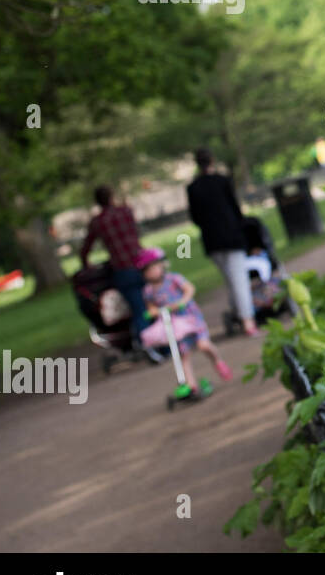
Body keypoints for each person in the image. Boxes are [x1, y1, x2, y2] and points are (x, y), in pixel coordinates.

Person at [136, 247, 232, 394]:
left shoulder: (173, 279)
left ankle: (217, 361)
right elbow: (151, 307)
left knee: (203, 345)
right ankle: (190, 384)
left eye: (155, 267)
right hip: (174, 325)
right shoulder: (148, 290)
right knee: (183, 354)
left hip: (191, 319)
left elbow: (189, 289)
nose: (153, 272)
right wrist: (153, 311)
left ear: (162, 265)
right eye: (149, 270)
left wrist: (183, 301)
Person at [186, 148, 258, 336]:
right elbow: (235, 209)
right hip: (232, 237)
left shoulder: (193, 188)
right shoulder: (223, 181)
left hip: (212, 241)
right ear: (212, 161)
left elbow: (195, 217)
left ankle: (238, 314)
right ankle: (248, 321)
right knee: (239, 280)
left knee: (231, 279)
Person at [79, 186, 151, 343]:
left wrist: (86, 265)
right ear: (112, 196)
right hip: (143, 264)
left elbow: (85, 249)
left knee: (138, 308)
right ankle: (156, 341)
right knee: (150, 303)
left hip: (123, 269)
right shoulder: (126, 211)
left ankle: (147, 342)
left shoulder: (98, 222)